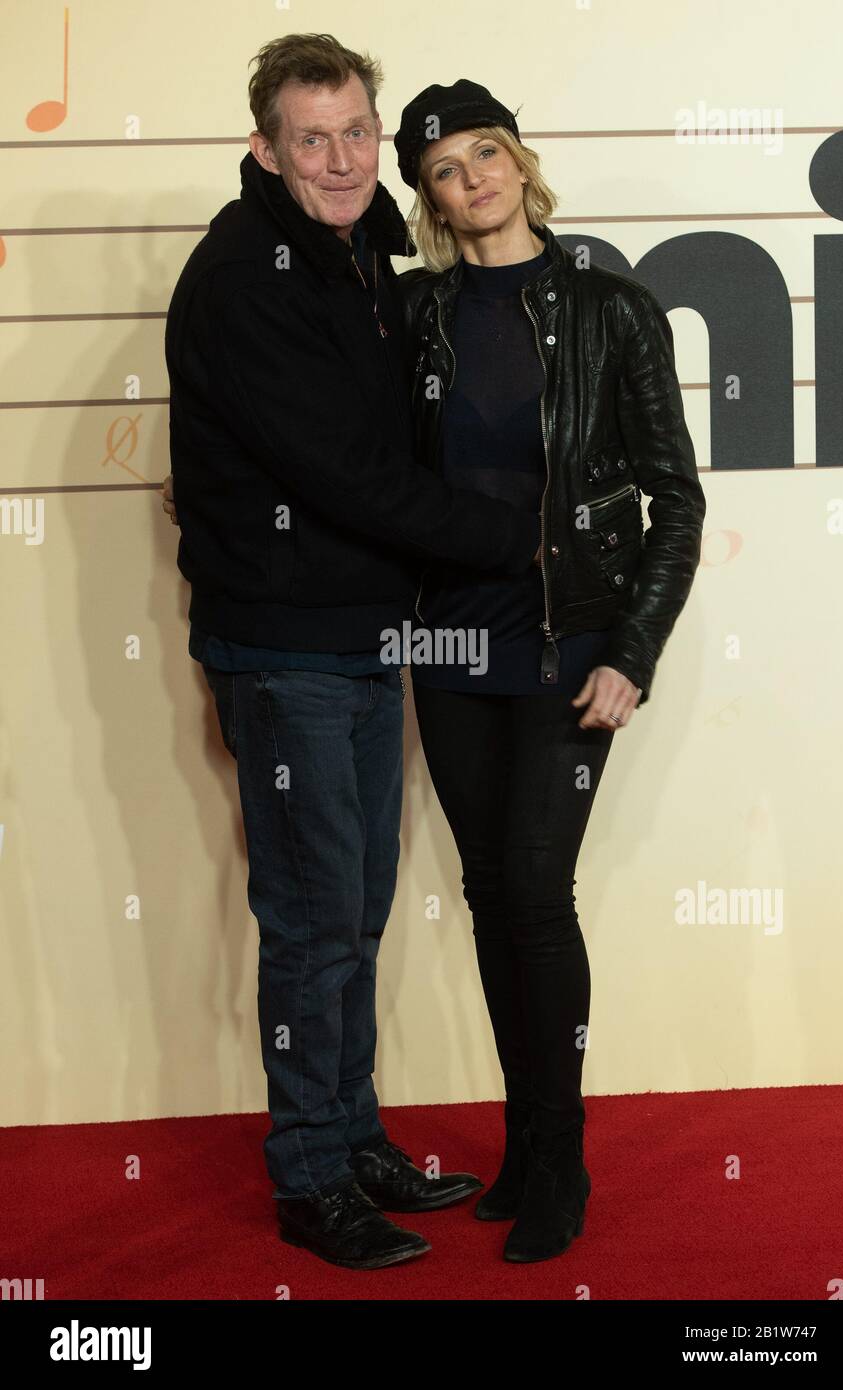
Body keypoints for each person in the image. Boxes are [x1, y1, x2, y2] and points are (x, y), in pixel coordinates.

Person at [163, 35, 546, 1272]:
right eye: (310, 139)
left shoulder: (359, 249)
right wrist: (520, 541)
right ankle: (310, 1176)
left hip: (357, 639)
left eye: (355, 133)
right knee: (317, 922)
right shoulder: (246, 279)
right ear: (267, 147)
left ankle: (354, 1132)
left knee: (356, 912)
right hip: (284, 651)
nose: (339, 159)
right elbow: (345, 475)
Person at [388, 80, 706, 1262]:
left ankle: (562, 1156)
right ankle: (522, 1144)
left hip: (570, 647)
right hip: (451, 641)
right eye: (444, 171)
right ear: (426, 197)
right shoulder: (414, 318)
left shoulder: (614, 309)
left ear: (518, 161)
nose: (471, 181)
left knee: (535, 887)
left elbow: (675, 496)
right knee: (488, 893)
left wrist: (633, 648)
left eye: (485, 155)